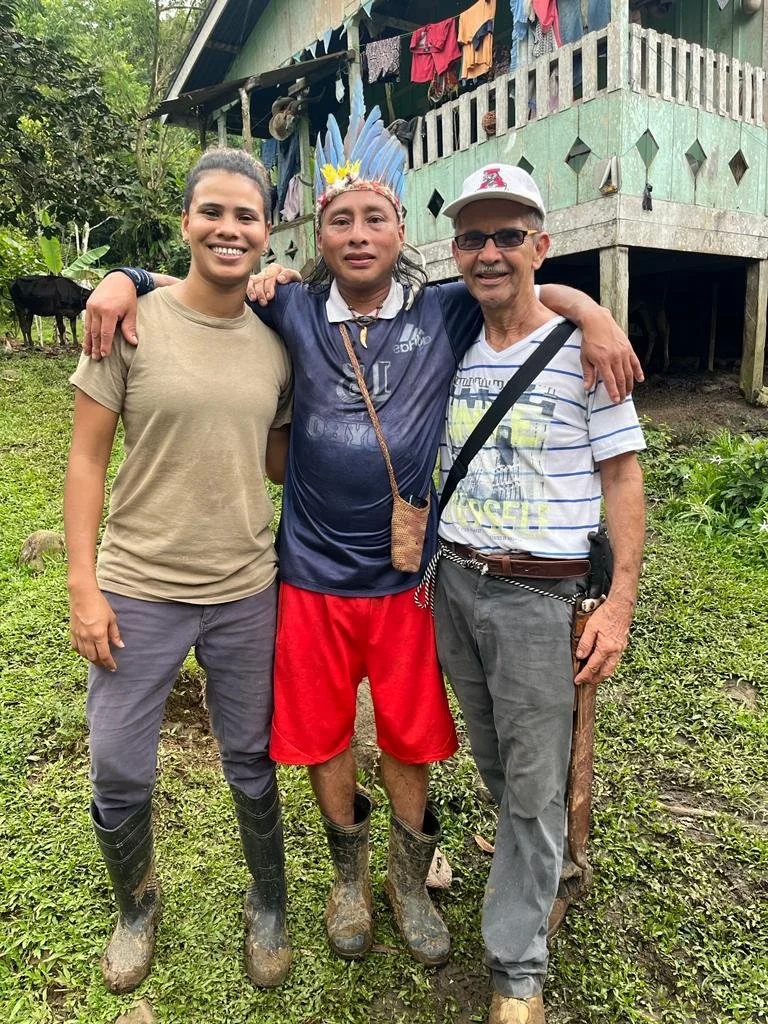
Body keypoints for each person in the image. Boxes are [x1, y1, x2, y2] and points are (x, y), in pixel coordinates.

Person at [82, 83, 642, 968]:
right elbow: (207, 275)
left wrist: (593, 309)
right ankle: (347, 877)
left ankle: (408, 879)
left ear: (399, 233)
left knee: (412, 738)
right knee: (324, 734)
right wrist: (126, 276)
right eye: (339, 218)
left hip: (411, 586)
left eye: (374, 218)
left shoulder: (443, 310)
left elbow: (521, 288)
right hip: (305, 580)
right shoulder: (290, 307)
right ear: (319, 236)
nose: (356, 234)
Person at [64, 148, 293, 995]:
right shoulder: (129, 323)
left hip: (244, 590)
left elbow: (275, 462)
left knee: (251, 755)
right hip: (137, 585)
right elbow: (87, 462)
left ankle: (267, 899)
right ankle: (136, 903)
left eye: (247, 217)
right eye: (213, 214)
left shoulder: (278, 340)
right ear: (187, 221)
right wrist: (84, 587)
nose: (229, 230)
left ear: (268, 232)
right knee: (119, 763)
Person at [431, 165, 645, 1024]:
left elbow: (623, 481)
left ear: (540, 246)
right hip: (452, 585)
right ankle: (545, 857)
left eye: (509, 235)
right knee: (497, 758)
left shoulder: (582, 353)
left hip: (538, 597)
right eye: (474, 237)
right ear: (455, 254)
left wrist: (621, 602)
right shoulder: (450, 339)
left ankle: (517, 970)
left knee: (531, 781)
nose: (491, 252)